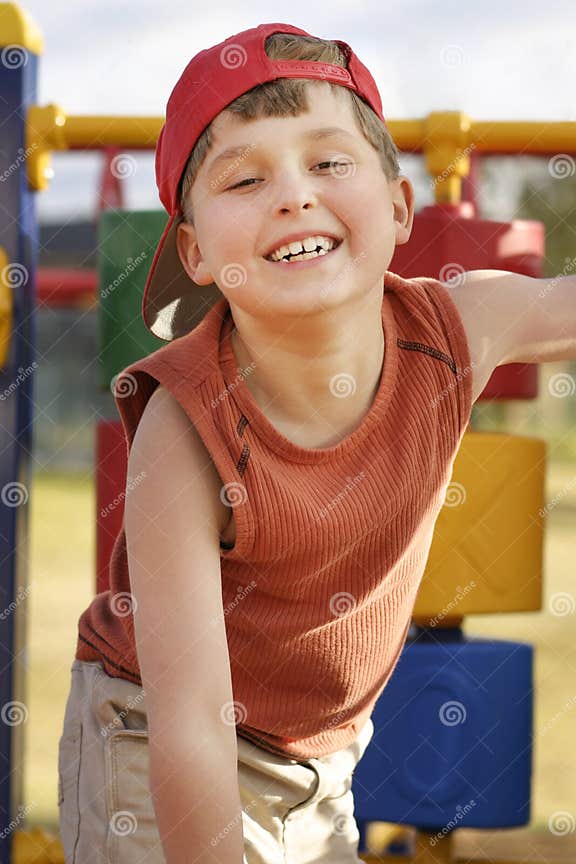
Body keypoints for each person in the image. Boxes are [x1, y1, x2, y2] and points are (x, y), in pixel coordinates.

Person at [58, 21, 479, 864]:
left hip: (321, 757)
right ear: (196, 251)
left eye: (328, 162)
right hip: (156, 739)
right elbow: (190, 728)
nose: (294, 195)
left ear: (398, 205)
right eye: (246, 178)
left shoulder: (456, 327)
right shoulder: (185, 431)